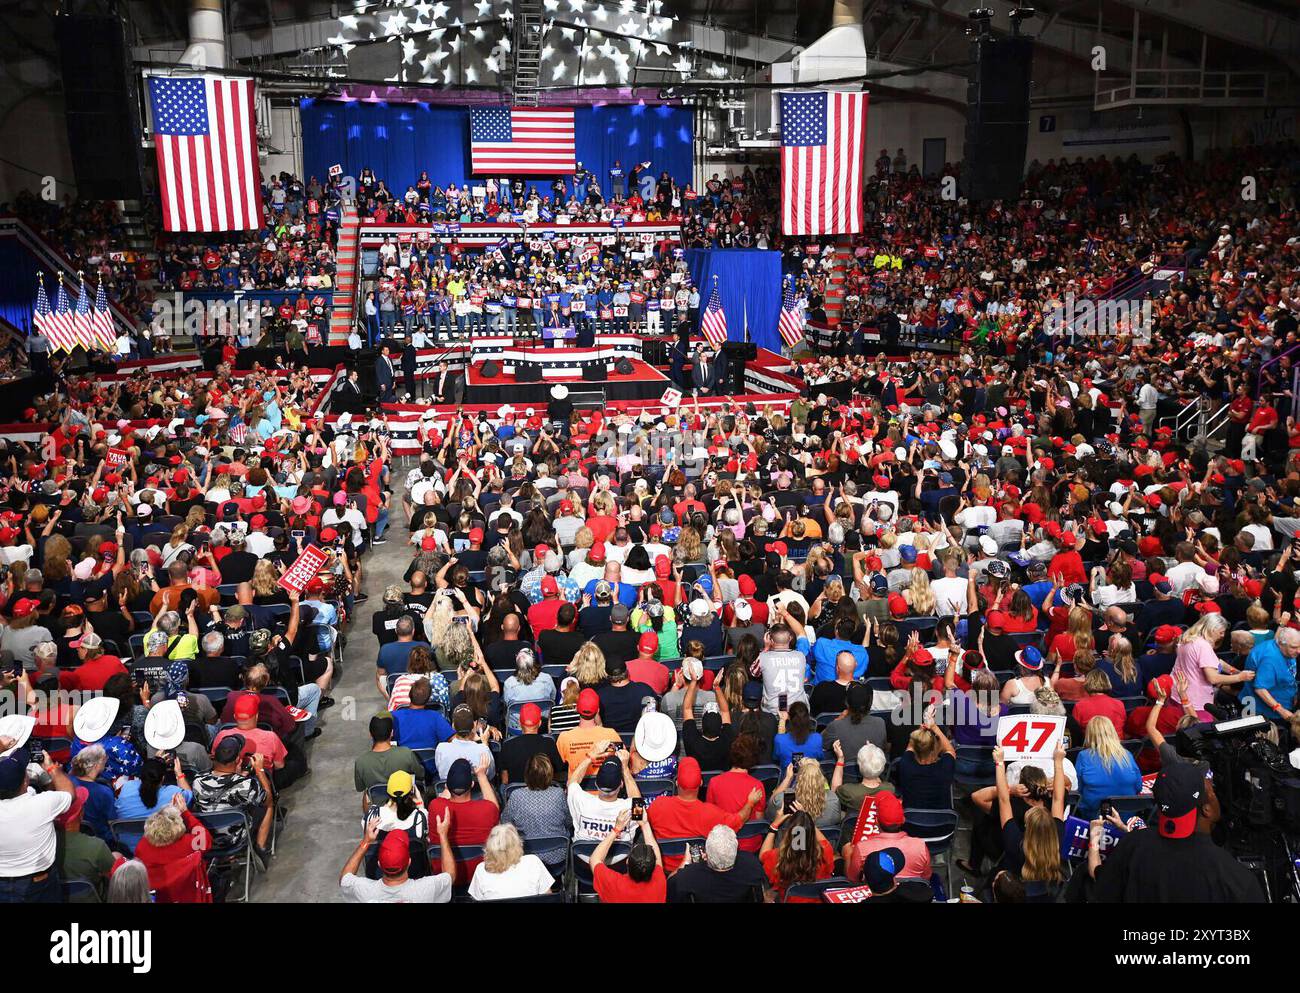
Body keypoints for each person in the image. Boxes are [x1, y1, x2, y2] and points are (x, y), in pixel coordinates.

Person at [1091, 761, 1264, 903]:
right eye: (1213, 793)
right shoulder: (1236, 879)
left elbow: (1100, 880)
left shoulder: (1132, 845)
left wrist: (1094, 839)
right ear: (1207, 809)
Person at [0, 742, 76, 902]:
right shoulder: (43, 803)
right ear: (25, 781)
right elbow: (69, 792)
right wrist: (51, 768)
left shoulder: (40, 801)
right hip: (40, 886)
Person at [340, 807, 455, 903]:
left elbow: (345, 878)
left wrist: (366, 841)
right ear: (409, 862)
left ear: (379, 864)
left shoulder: (365, 891)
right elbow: (450, 875)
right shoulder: (427, 889)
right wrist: (443, 835)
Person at [590, 808, 665, 903]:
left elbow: (594, 859)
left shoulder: (613, 883)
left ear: (627, 861)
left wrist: (616, 829)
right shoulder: (659, 882)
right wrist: (645, 825)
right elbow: (658, 860)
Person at [467, 823, 555, 901]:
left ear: (490, 845)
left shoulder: (482, 869)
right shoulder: (533, 862)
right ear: (517, 843)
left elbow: (477, 899)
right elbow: (548, 897)